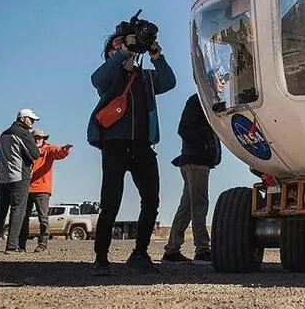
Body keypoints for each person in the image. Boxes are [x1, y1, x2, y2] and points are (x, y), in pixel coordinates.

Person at [87, 26, 175, 275]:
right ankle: (101, 258)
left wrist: (156, 54)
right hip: (114, 144)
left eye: (125, 43)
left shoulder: (145, 77)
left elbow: (169, 82)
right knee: (110, 202)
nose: (123, 46)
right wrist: (121, 51)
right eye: (116, 44)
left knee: (151, 199)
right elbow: (97, 79)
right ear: (110, 52)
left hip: (141, 145)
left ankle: (139, 253)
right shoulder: (111, 77)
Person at [161, 77, 223, 264]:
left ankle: (172, 250)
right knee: (199, 205)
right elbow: (184, 129)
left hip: (197, 161)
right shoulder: (198, 101)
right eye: (220, 79)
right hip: (196, 162)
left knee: (187, 207)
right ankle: (202, 250)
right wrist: (203, 147)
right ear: (210, 82)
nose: (223, 82)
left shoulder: (209, 103)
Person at [0, 110, 41, 253]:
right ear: (22, 118)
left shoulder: (4, 134)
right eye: (31, 119)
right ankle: (12, 246)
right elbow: (35, 154)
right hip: (19, 176)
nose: (32, 122)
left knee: (1, 210)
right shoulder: (23, 133)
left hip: (3, 177)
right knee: (18, 210)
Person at [19, 128, 72, 252]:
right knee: (23, 217)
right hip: (26, 188)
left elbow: (58, 153)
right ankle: (21, 245)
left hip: (42, 189)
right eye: (36, 137)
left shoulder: (48, 149)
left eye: (40, 138)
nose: (38, 139)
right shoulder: (26, 149)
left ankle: (42, 244)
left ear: (43, 139)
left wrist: (64, 150)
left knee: (43, 217)